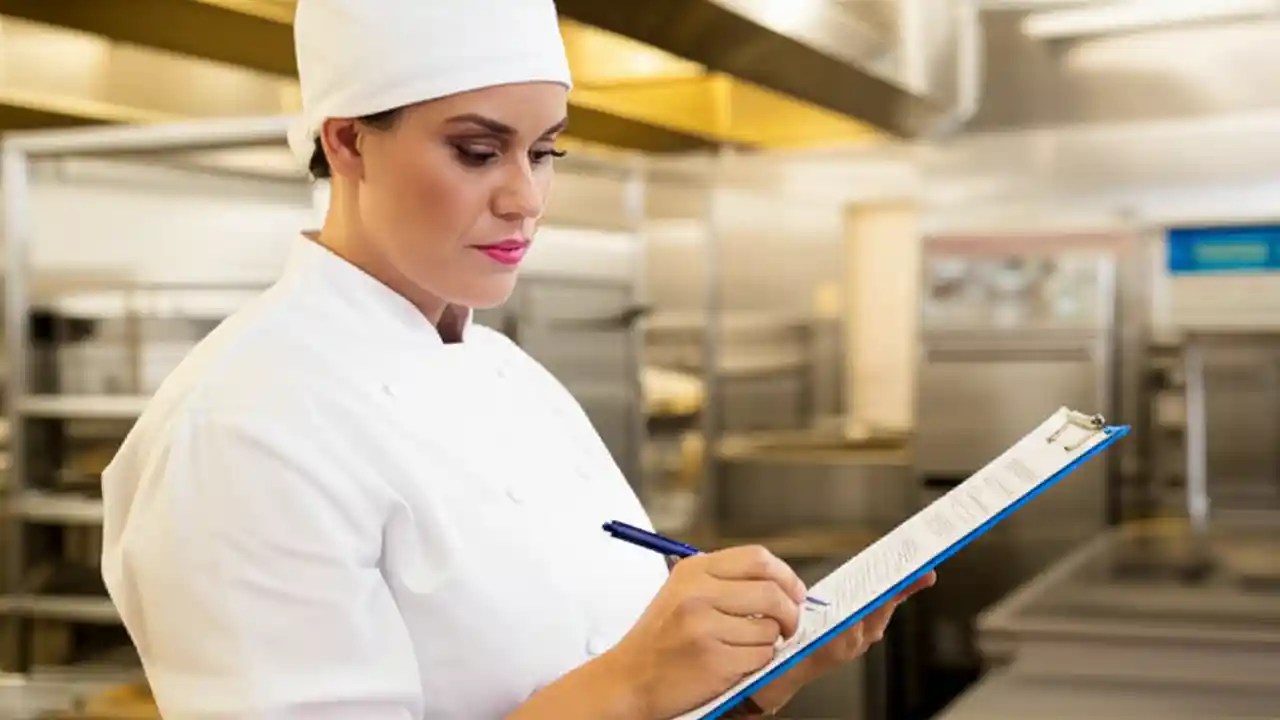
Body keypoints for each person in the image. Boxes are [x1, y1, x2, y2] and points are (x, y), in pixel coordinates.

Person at [99, 0, 934, 718]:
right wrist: (634, 685)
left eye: (543, 153)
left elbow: (612, 654)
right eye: (476, 151)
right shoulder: (243, 428)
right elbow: (620, 683)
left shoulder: (510, 376)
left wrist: (748, 677)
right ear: (349, 143)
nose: (525, 200)